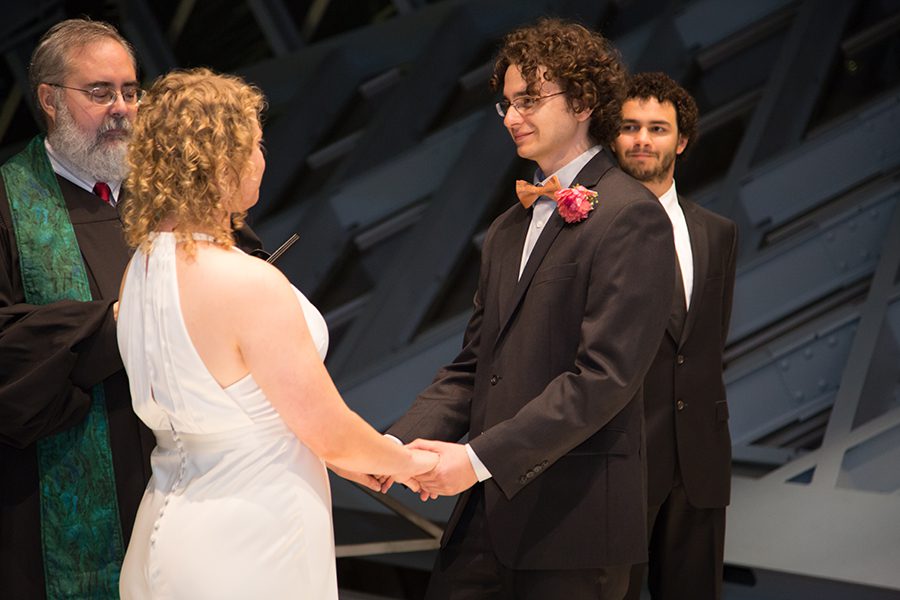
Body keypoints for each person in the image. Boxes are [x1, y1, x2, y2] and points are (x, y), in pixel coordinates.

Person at [115, 67, 438, 599]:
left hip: (161, 537)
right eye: (256, 143)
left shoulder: (142, 267)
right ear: (221, 159)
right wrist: (409, 464)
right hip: (253, 541)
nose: (263, 157)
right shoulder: (246, 281)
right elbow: (325, 426)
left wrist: (353, 460)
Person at [382, 19, 676, 600]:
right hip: (484, 517)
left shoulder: (632, 215)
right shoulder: (506, 228)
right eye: (507, 104)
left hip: (575, 523)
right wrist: (395, 449)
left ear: (585, 101)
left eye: (530, 100)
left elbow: (604, 379)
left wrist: (475, 460)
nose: (513, 117)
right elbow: (474, 365)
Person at [0, 19, 267, 599]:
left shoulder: (172, 195)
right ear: (48, 99)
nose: (122, 108)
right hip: (68, 482)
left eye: (129, 90)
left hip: (198, 487)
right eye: (99, 92)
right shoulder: (9, 203)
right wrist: (122, 322)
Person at [611, 72, 738, 600]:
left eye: (658, 128)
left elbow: (703, 348)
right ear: (613, 138)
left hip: (700, 461)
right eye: (630, 127)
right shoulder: (582, 228)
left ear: (681, 141)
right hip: (618, 463)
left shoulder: (718, 232)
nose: (643, 139)